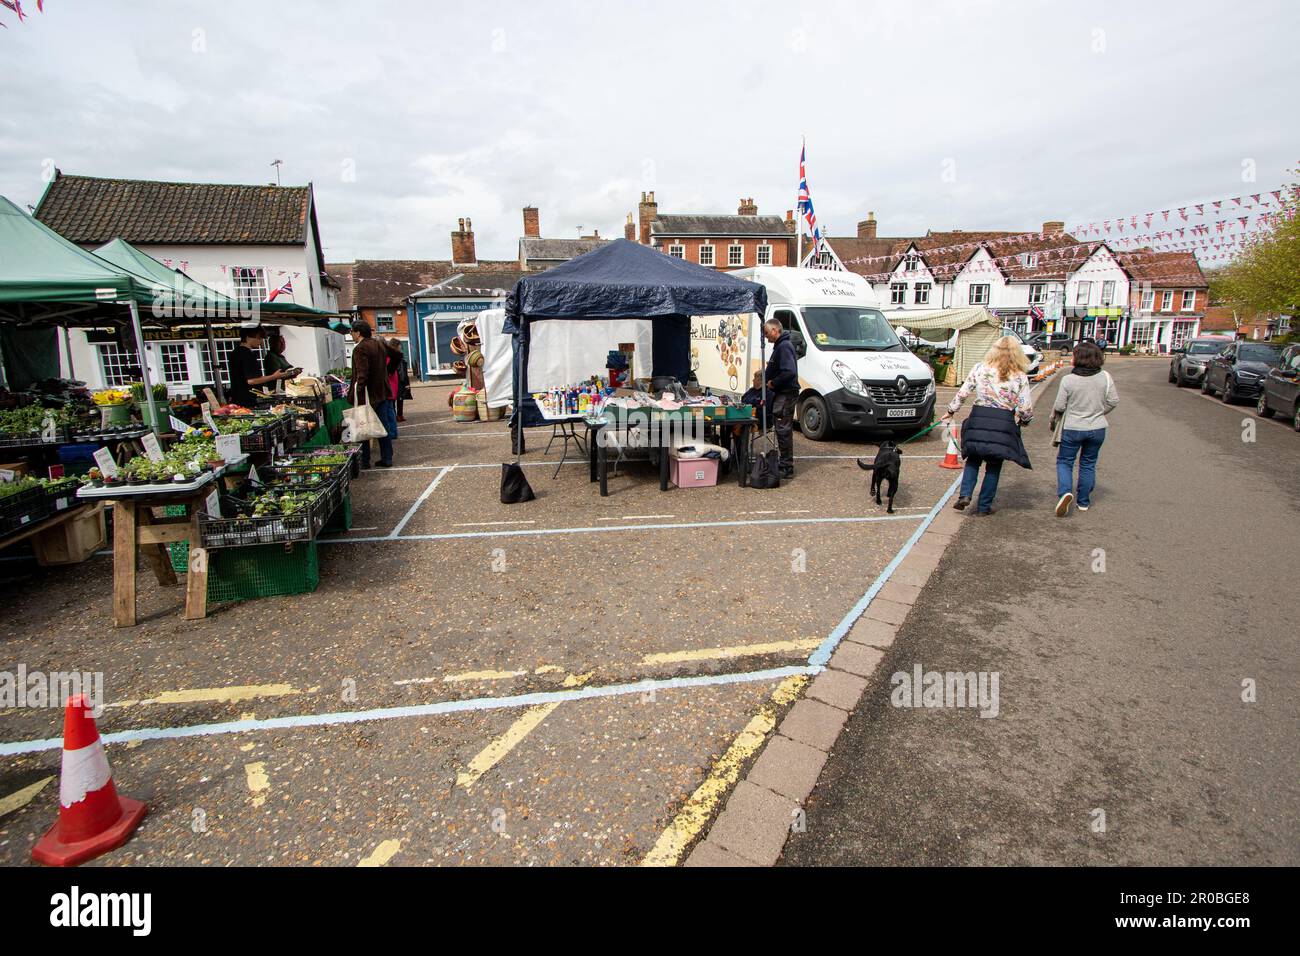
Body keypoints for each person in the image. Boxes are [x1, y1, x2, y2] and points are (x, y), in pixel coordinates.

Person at [940, 335, 1034, 516]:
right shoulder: (1020, 376)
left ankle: (965, 495)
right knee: (994, 464)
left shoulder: (980, 369)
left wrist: (951, 411)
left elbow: (963, 392)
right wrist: (1024, 420)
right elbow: (1025, 408)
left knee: (973, 459)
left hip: (979, 417)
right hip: (1003, 422)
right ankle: (984, 506)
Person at [1051, 341, 1119, 516]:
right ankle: (1083, 502)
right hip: (1097, 428)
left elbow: (1059, 405)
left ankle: (1065, 492)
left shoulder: (1068, 379)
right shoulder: (1105, 377)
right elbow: (1113, 401)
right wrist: (1099, 412)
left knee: (1065, 462)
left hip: (1072, 427)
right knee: (1088, 464)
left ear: (1078, 358)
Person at [348, 320, 402, 468]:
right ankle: (387, 458)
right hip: (382, 392)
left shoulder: (360, 349)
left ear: (358, 332)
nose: (351, 334)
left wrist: (358, 394)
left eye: (351, 331)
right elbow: (398, 355)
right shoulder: (378, 343)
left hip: (368, 395)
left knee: (363, 428)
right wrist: (388, 371)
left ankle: (365, 461)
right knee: (382, 427)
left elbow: (362, 374)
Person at [764, 318, 800, 479]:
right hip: (783, 394)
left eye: (766, 333)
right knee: (782, 429)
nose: (765, 337)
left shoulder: (784, 346)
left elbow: (789, 371)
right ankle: (784, 463)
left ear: (774, 330)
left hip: (785, 394)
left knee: (783, 430)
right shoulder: (781, 346)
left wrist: (773, 382)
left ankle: (786, 466)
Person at [229, 326, 299, 408]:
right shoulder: (246, 354)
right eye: (259, 338)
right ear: (248, 337)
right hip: (247, 401)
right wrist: (274, 376)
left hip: (241, 399)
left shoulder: (236, 352)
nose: (261, 341)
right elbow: (252, 381)